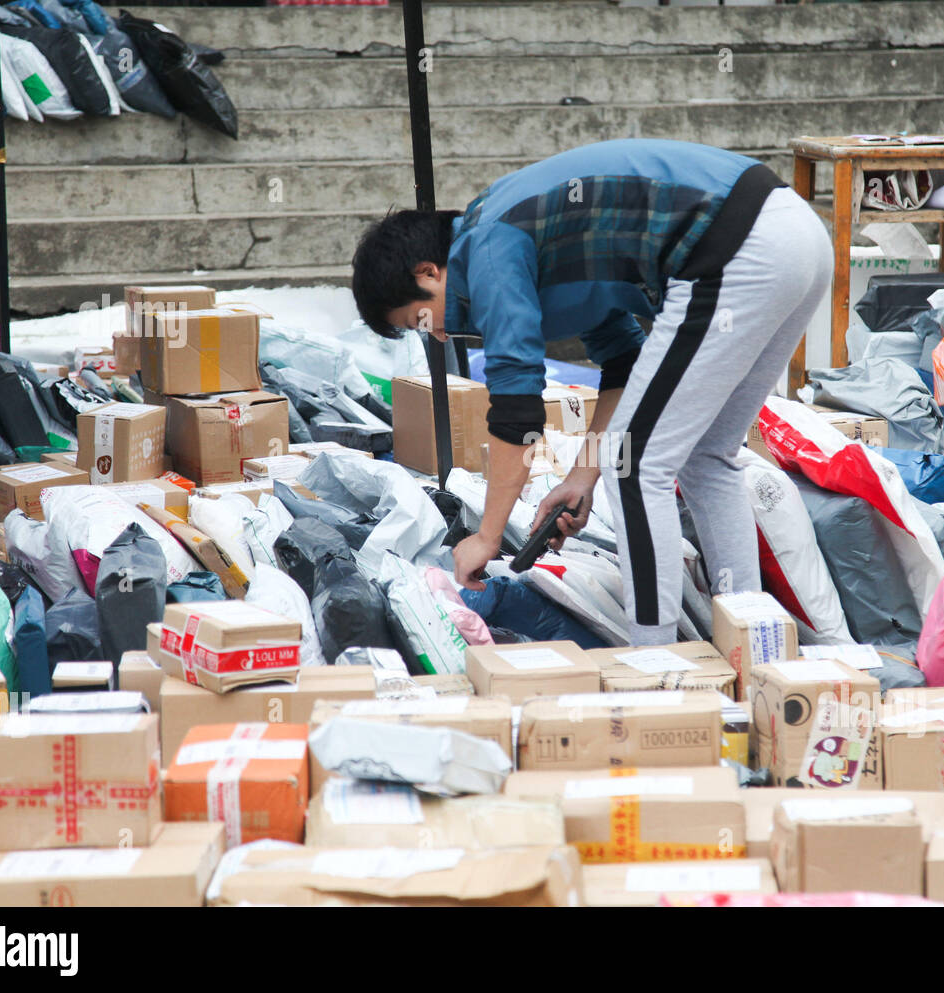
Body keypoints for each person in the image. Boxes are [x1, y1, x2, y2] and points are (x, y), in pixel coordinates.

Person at [351, 139, 831, 645]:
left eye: (422, 319)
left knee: (636, 465)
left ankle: (655, 662)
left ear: (428, 272)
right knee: (707, 456)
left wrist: (488, 537)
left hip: (735, 249)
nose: (440, 335)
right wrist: (582, 477)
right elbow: (624, 362)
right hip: (792, 237)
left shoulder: (485, 243)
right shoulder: (529, 239)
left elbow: (517, 409)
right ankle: (753, 644)